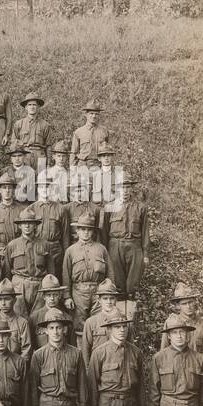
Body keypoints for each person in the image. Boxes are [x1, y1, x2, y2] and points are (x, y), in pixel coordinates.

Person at [105, 174, 150, 307]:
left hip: (134, 246)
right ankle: (118, 317)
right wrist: (105, 252)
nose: (124, 190)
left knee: (132, 284)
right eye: (121, 187)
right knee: (117, 281)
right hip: (115, 246)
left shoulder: (141, 207)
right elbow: (104, 231)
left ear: (131, 188)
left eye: (127, 187)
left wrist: (145, 254)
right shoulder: (109, 207)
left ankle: (130, 317)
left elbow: (145, 232)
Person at [63, 211, 111, 332]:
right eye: (82, 229)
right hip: (78, 292)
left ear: (93, 232)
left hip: (98, 291)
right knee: (79, 325)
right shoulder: (70, 251)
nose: (86, 232)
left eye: (89, 230)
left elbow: (110, 273)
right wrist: (67, 297)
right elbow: (66, 275)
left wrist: (109, 293)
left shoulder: (101, 249)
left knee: (99, 324)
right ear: (77, 231)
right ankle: (81, 350)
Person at [7, 207, 58, 314]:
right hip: (19, 286)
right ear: (20, 226)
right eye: (24, 223)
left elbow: (51, 271)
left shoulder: (45, 244)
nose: (27, 226)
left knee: (39, 316)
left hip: (39, 284)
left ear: (35, 225)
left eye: (30, 223)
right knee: (19, 315)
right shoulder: (12, 245)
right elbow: (6, 271)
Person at [7, 92, 53, 171]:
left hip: (40, 156)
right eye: (30, 105)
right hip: (25, 155)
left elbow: (48, 146)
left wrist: (48, 164)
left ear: (38, 107)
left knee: (40, 180)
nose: (32, 107)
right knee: (24, 180)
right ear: (26, 107)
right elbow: (13, 144)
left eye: (34, 105)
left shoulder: (45, 125)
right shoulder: (19, 124)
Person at [162, 283, 203, 357]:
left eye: (190, 302)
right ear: (178, 306)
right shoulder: (171, 323)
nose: (188, 306)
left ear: (195, 302)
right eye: (184, 304)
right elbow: (164, 351)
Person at [70, 98, 111, 168]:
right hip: (83, 165)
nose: (94, 116)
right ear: (86, 114)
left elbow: (108, 152)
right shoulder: (79, 132)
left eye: (96, 114)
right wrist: (73, 168)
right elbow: (74, 152)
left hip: (98, 165)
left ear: (99, 115)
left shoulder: (104, 131)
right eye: (91, 113)